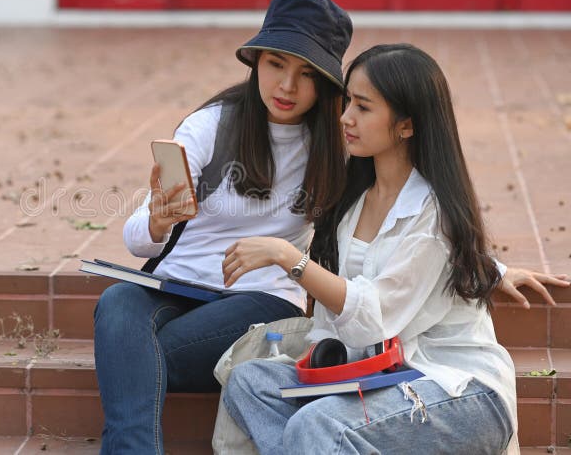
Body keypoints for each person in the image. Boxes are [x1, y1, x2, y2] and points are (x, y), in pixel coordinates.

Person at [94, 0, 569, 454]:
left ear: (324, 83)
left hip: (273, 304)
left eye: (305, 74)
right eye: (275, 64)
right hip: (182, 289)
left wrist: (494, 269)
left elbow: (424, 235)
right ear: (255, 62)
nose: (286, 86)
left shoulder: (341, 144)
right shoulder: (215, 128)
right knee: (122, 305)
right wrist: (157, 223)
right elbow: (137, 240)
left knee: (152, 362)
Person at [219, 44, 540, 454]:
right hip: (376, 376)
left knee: (319, 426)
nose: (345, 117)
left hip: (456, 389)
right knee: (250, 383)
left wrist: (289, 258)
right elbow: (341, 322)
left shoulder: (433, 215)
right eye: (348, 101)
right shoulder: (353, 203)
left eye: (364, 107)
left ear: (406, 126)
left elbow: (374, 317)